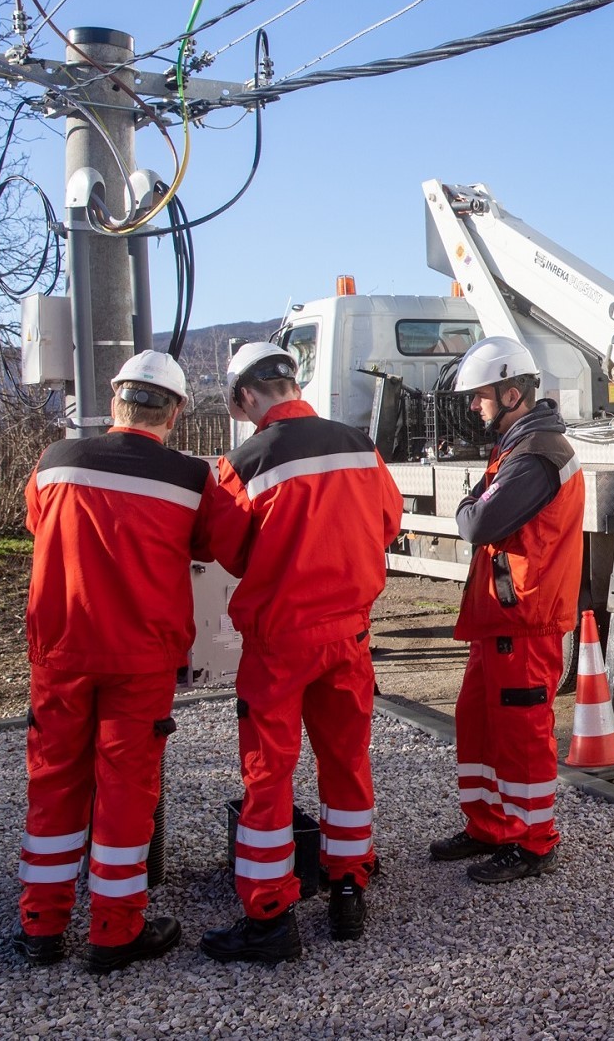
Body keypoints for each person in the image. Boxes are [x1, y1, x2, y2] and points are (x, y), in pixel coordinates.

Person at [12, 351, 228, 974]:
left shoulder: (55, 464)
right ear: (177, 412)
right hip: (141, 656)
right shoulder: (190, 479)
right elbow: (210, 545)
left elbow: (36, 524)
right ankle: (114, 929)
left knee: (53, 781)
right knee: (127, 788)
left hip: (62, 648)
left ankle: (41, 926)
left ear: (115, 400)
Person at [197, 342, 404, 963]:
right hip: (350, 634)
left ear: (243, 398)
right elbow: (388, 520)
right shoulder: (358, 445)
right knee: (346, 763)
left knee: (268, 777)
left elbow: (226, 550)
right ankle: (348, 889)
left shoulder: (243, 462)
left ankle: (269, 917)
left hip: (280, 642)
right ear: (293, 382)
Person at [426, 336, 586, 884]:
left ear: (512, 394)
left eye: (481, 396)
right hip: (503, 621)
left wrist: (471, 504)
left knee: (520, 736)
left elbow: (476, 524)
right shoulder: (523, 447)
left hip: (524, 622)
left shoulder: (537, 455)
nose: (474, 406)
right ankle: (489, 825)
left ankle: (534, 839)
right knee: (479, 724)